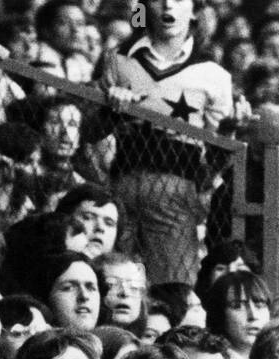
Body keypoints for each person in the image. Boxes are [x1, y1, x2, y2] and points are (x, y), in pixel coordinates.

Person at [97, 0, 236, 285]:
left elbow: (219, 154)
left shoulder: (214, 75)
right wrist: (110, 110)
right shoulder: (118, 59)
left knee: (173, 286)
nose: (168, 6)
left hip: (176, 187)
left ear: (195, 10)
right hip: (121, 182)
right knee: (113, 278)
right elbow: (91, 132)